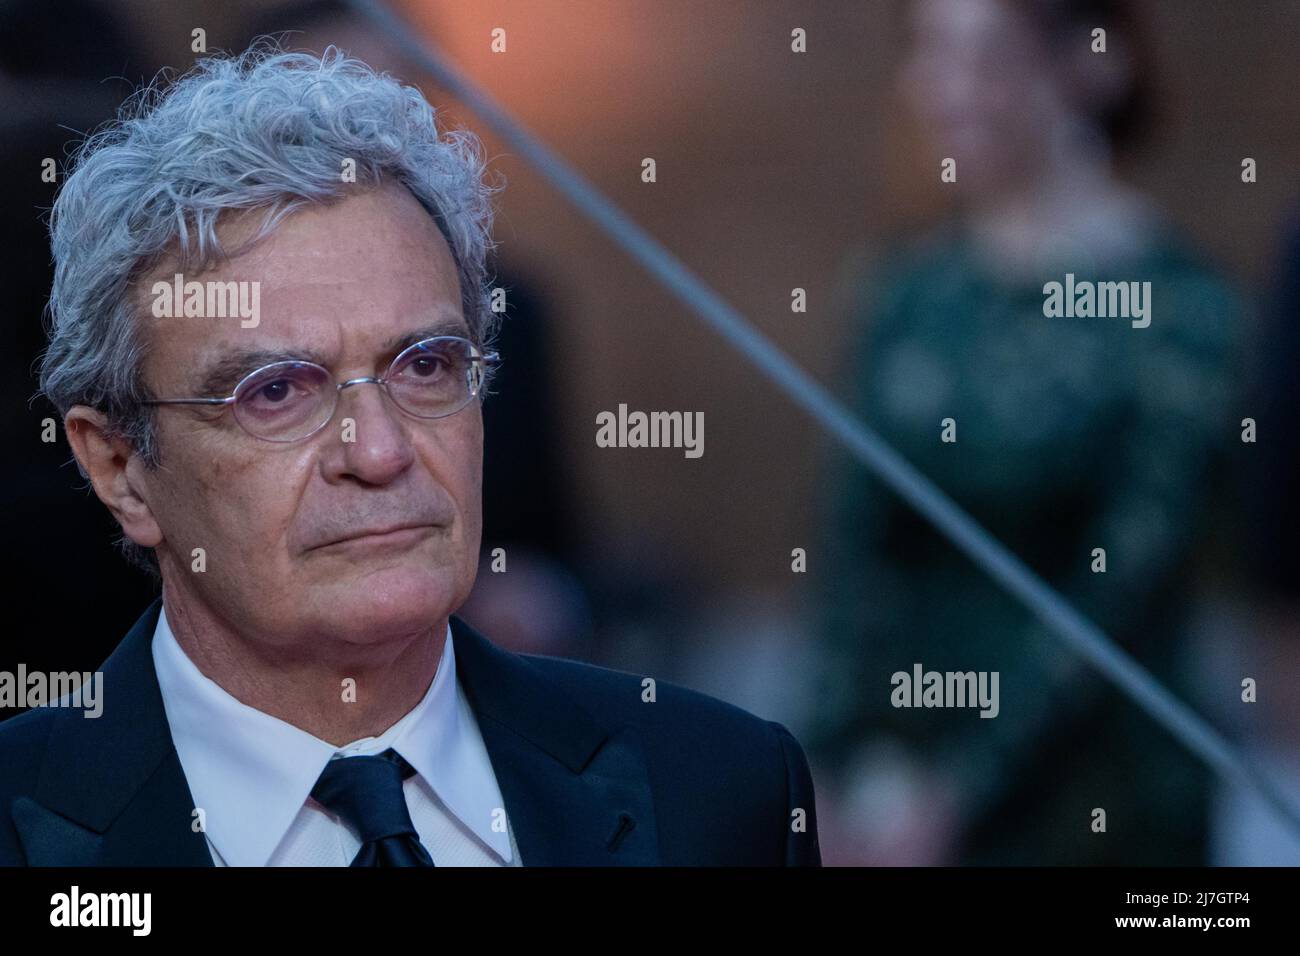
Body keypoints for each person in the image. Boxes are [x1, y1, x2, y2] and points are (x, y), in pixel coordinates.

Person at [0, 45, 819, 867]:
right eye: (277, 392)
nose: (381, 450)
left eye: (425, 367)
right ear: (119, 468)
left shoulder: (721, 792)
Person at [805, 0, 1241, 864]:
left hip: (1101, 809)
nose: (941, 90)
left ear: (1093, 63)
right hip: (893, 794)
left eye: (982, 58)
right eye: (928, 56)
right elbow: (852, 543)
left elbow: (1122, 590)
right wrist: (825, 759)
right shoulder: (908, 292)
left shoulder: (1182, 310)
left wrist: (958, 794)